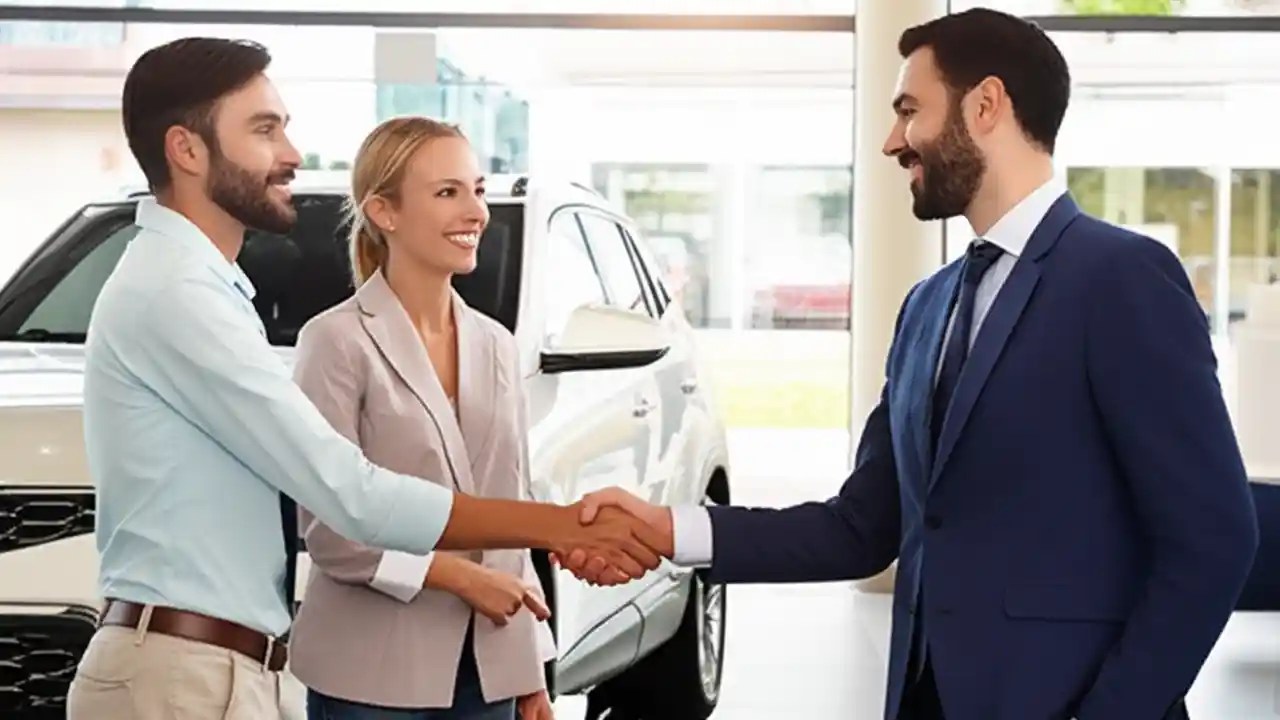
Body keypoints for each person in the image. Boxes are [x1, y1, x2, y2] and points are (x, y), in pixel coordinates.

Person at [569, 9, 1259, 720]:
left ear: (985, 105)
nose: (892, 141)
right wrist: (672, 529)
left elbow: (1213, 538)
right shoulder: (926, 308)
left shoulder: (1122, 279)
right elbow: (862, 525)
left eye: (908, 110)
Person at [68, 37, 662, 720]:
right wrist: (563, 527)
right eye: (265, 129)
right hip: (186, 678)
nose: (291, 153)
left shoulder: (206, 287)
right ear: (188, 150)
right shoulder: (175, 294)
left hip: (228, 669)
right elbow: (347, 495)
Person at [286, 117, 555, 720]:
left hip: (489, 673)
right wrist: (458, 578)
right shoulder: (335, 342)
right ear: (384, 211)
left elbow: (514, 510)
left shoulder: (496, 344)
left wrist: (530, 669)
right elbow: (330, 534)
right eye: (447, 192)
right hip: (370, 679)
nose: (476, 212)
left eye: (478, 190)